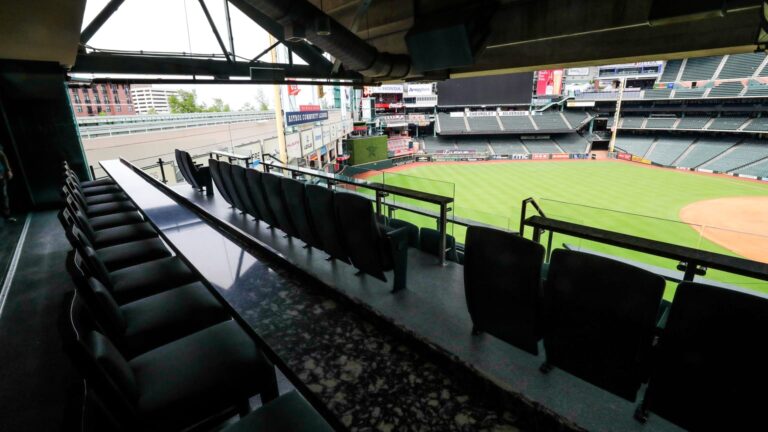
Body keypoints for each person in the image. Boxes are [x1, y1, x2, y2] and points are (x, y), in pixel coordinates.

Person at [0, 147, 16, 223]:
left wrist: (8, 170)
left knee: (4, 195)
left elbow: (2, 155)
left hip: (1, 176)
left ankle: (6, 216)